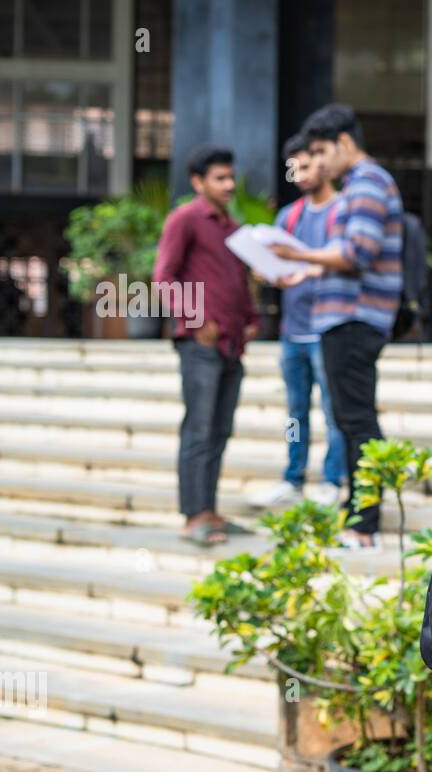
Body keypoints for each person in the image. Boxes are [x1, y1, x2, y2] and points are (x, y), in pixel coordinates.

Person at [272, 103, 403, 548]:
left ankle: (364, 523)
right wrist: (307, 271)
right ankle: (357, 514)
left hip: (354, 319)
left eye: (323, 152)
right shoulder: (358, 185)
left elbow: (355, 253)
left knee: (356, 419)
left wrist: (299, 255)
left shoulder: (367, 182)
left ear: (345, 142)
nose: (320, 163)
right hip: (344, 318)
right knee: (350, 419)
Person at [154, 144, 261, 546]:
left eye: (231, 176)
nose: (229, 184)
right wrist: (195, 320)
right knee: (198, 430)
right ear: (198, 182)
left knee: (219, 430)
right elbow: (164, 277)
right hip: (199, 345)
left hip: (233, 346)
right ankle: (192, 515)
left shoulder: (234, 230)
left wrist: (251, 320)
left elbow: (239, 283)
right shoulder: (185, 219)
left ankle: (209, 510)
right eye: (220, 178)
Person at [249, 133, 348, 510]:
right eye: (293, 168)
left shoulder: (343, 211)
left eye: (306, 165)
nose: (299, 174)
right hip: (294, 329)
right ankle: (292, 477)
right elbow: (278, 266)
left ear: (323, 163)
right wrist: (267, 270)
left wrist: (304, 263)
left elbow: (348, 259)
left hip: (330, 328)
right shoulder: (288, 216)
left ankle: (331, 479)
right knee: (295, 411)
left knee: (332, 411)